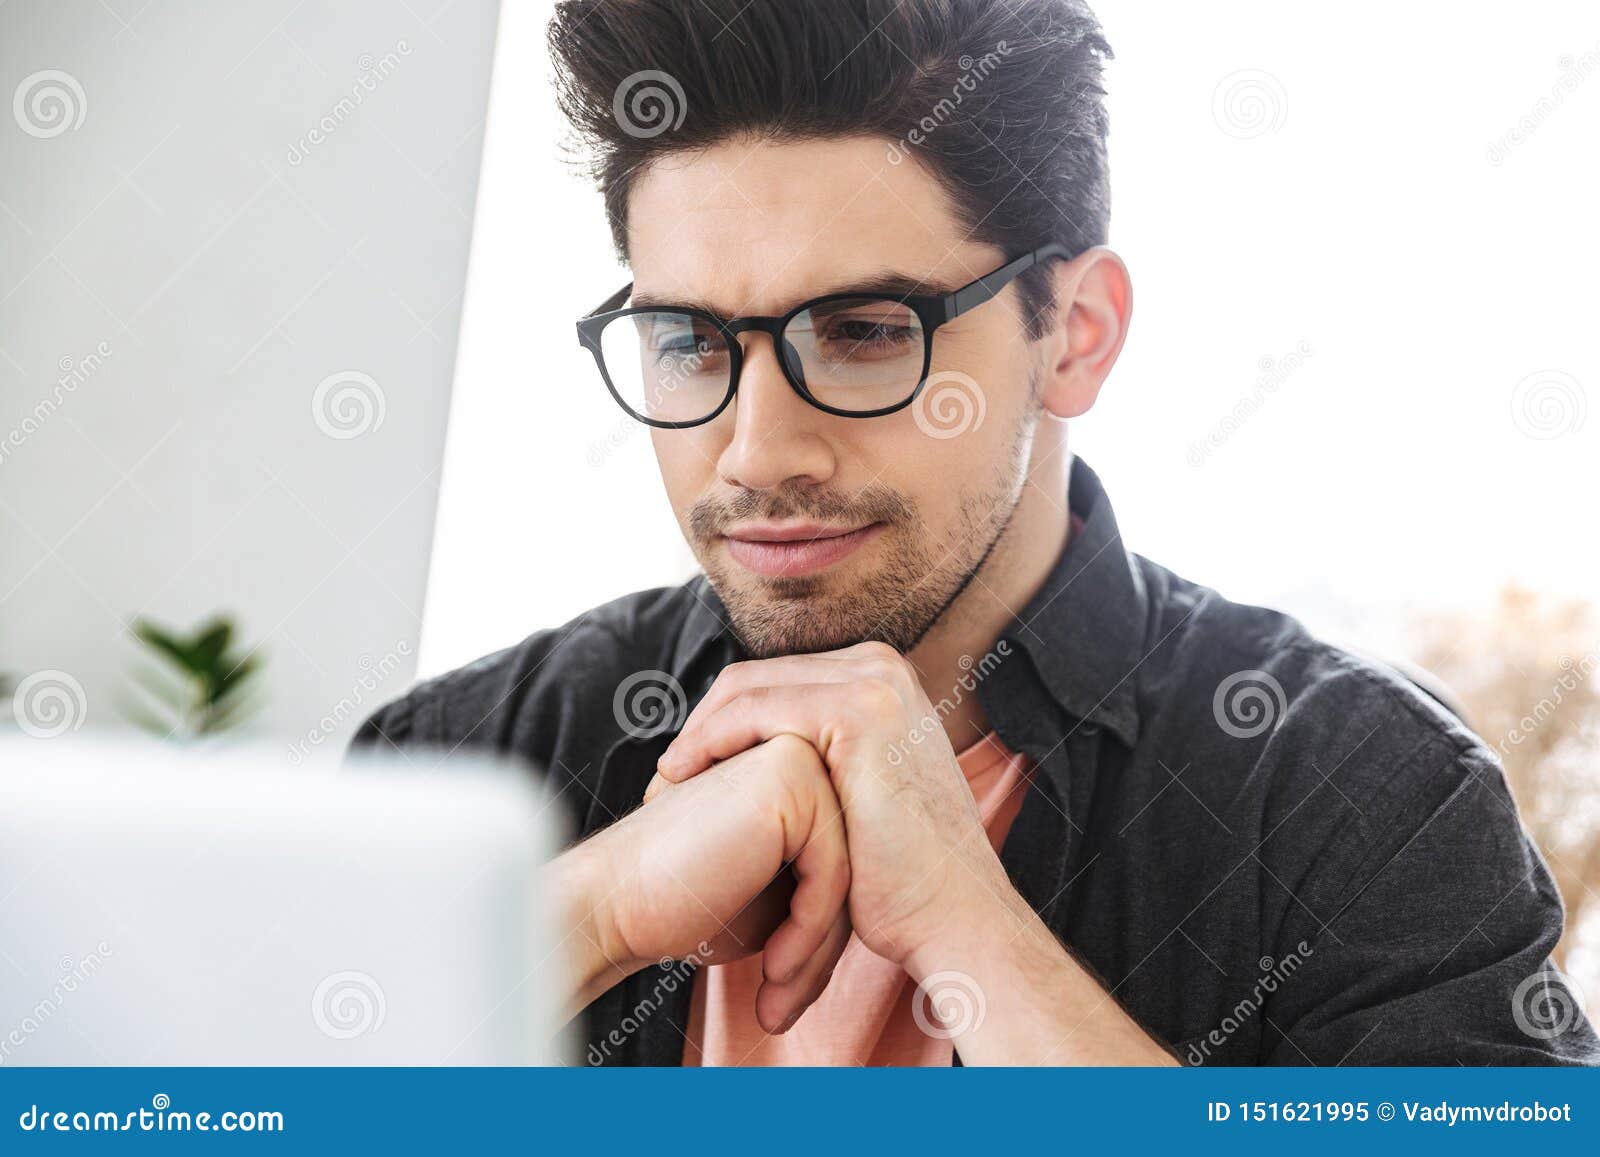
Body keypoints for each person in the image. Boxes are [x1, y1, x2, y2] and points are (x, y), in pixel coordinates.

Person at [352, 0, 1598, 1067]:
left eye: (864, 331)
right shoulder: (462, 762)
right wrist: (602, 910)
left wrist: (972, 934)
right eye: (688, 342)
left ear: (1076, 330)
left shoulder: (1366, 805)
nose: (753, 449)